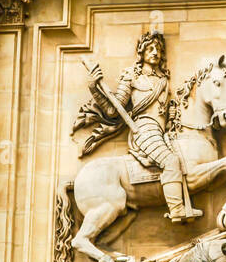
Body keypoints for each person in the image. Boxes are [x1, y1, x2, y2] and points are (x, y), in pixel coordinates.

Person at [74, 31, 201, 222]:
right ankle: (177, 210)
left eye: (158, 49)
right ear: (141, 52)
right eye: (150, 48)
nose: (155, 52)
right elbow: (112, 110)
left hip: (161, 131)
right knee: (171, 162)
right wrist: (94, 87)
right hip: (143, 130)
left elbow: (162, 111)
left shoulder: (163, 80)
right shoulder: (131, 76)